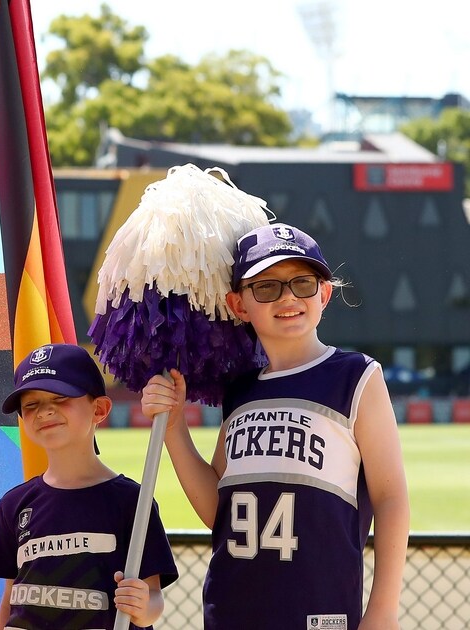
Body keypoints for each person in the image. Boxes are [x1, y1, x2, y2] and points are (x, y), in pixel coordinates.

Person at [141, 223, 409, 630]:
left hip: (322, 614)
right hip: (232, 612)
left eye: (303, 283)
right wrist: (175, 427)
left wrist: (384, 612)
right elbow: (218, 512)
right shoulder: (240, 390)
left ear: (324, 294)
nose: (288, 297)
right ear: (238, 305)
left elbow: (391, 498)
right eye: (266, 287)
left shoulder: (356, 376)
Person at [0, 343, 178, 630]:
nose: (44, 412)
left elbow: (154, 598)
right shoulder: (13, 504)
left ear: (99, 409)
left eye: (60, 398)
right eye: (31, 405)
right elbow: (10, 599)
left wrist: (142, 607)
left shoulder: (133, 501)